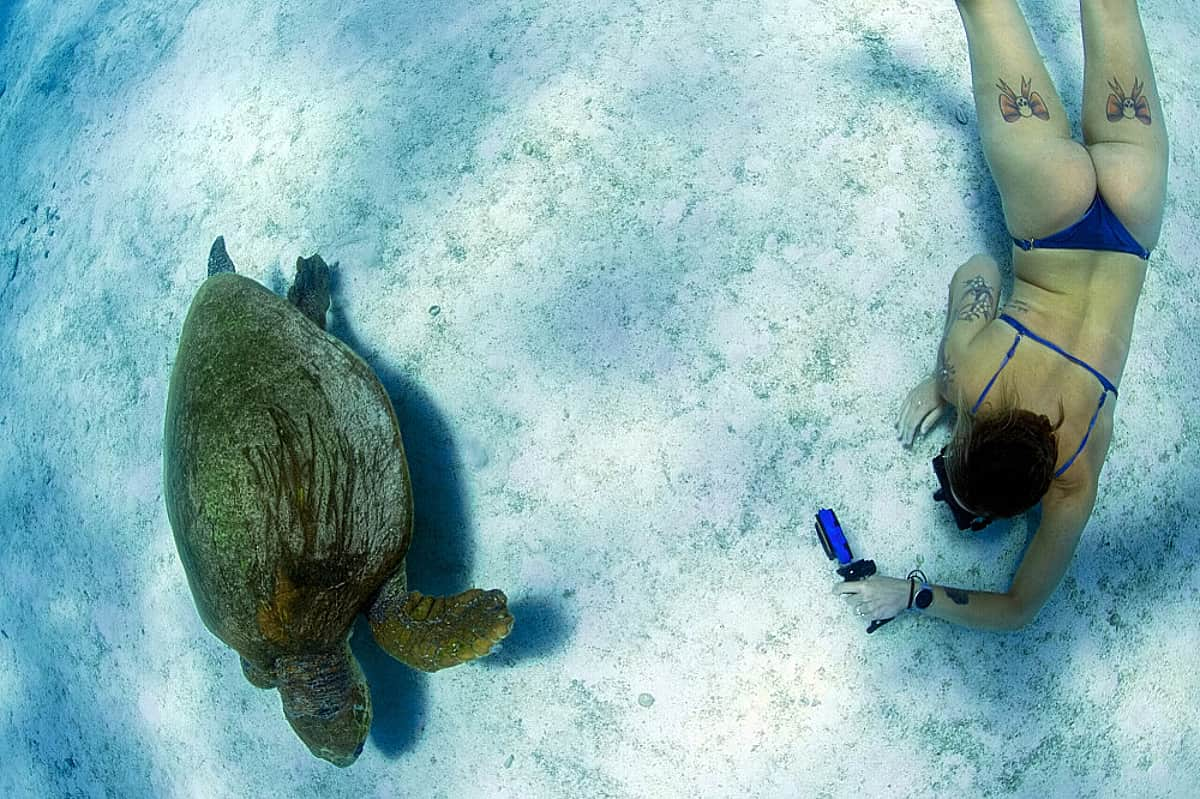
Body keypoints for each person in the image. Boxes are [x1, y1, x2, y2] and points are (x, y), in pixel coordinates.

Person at [836, 0, 1168, 630]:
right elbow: (979, 269)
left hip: (1133, 211)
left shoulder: (1075, 479)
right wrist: (943, 380)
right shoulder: (973, 374)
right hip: (1051, 208)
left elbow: (1021, 609)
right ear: (963, 438)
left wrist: (913, 595)